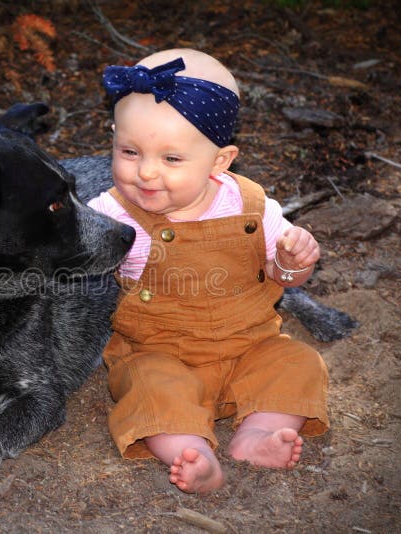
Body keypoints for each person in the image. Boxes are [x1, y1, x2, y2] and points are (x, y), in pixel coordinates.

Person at [87, 49, 329, 494]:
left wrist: (293, 264)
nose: (146, 172)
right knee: (148, 386)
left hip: (250, 346)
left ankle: (256, 434)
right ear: (113, 139)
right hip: (160, 353)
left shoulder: (251, 206)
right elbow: (69, 263)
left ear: (220, 160)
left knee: (298, 362)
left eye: (171, 159)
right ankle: (189, 449)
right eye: (129, 151)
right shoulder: (110, 215)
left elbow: (282, 277)